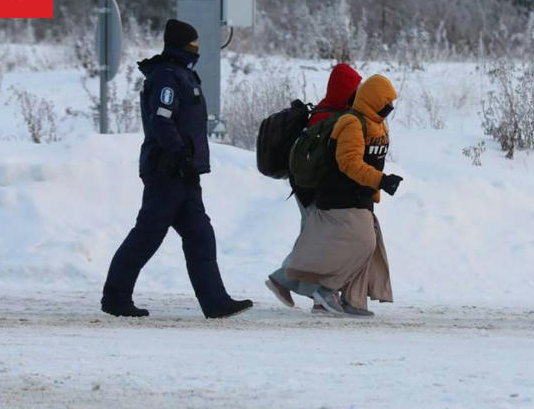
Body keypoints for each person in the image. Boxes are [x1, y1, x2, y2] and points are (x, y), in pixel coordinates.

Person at [101, 19, 252, 319]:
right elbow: (161, 120)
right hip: (167, 171)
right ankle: (115, 298)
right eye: (192, 43)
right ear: (182, 45)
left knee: (200, 235)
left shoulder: (183, 75)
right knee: (147, 235)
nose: (197, 48)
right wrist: (178, 154)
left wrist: (188, 162)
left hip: (184, 173)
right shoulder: (168, 77)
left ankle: (215, 302)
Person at [279, 74, 401, 317]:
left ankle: (354, 300)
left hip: (362, 195)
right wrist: (380, 180)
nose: (389, 107)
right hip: (342, 195)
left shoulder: (377, 123)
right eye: (385, 101)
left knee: (368, 244)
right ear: (372, 99)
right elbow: (349, 163)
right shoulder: (352, 123)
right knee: (360, 244)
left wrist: (377, 185)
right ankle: (318, 288)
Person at [265, 63, 363, 313]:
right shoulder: (330, 118)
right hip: (311, 188)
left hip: (305, 186)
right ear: (345, 90)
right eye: (355, 88)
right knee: (320, 241)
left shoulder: (326, 109)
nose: (359, 93)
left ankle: (302, 288)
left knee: (314, 238)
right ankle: (296, 283)